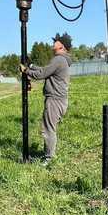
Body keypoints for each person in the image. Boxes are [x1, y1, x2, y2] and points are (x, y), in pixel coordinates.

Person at [19, 33, 72, 166]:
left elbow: (42, 74)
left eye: (56, 41)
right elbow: (45, 70)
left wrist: (26, 71)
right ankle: (48, 155)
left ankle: (49, 158)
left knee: (48, 129)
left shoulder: (59, 59)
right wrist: (31, 65)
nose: (53, 43)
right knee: (49, 128)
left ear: (62, 46)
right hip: (59, 100)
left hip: (55, 100)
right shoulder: (61, 60)